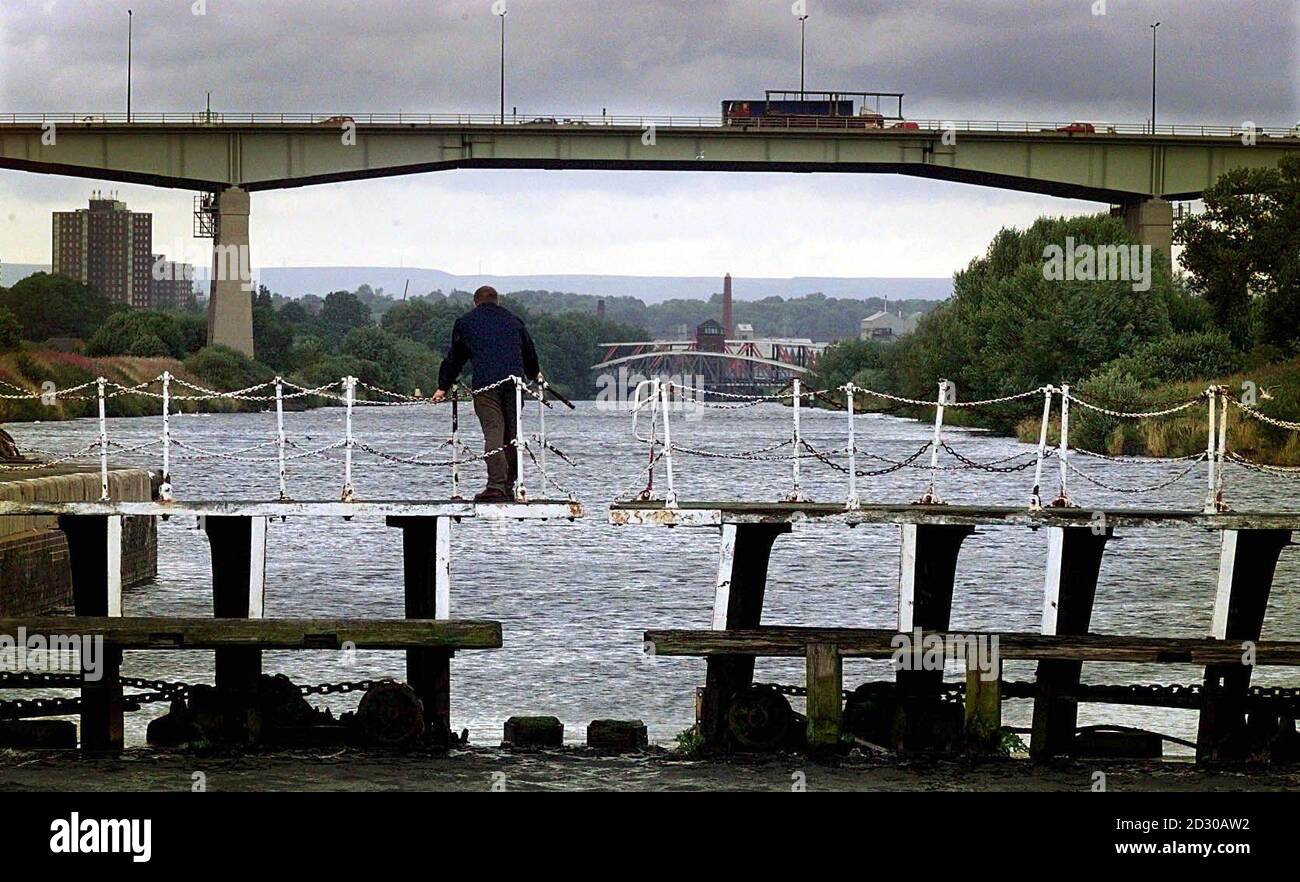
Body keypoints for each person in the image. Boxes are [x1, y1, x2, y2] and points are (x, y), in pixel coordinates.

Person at [432, 286, 540, 502]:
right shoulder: (514, 321)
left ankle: (496, 486)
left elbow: (456, 357)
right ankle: (509, 486)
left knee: (493, 432)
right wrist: (535, 374)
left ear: (475, 302)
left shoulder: (466, 322)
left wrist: (442, 386)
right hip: (515, 384)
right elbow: (529, 351)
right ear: (497, 301)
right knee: (512, 435)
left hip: (486, 386)